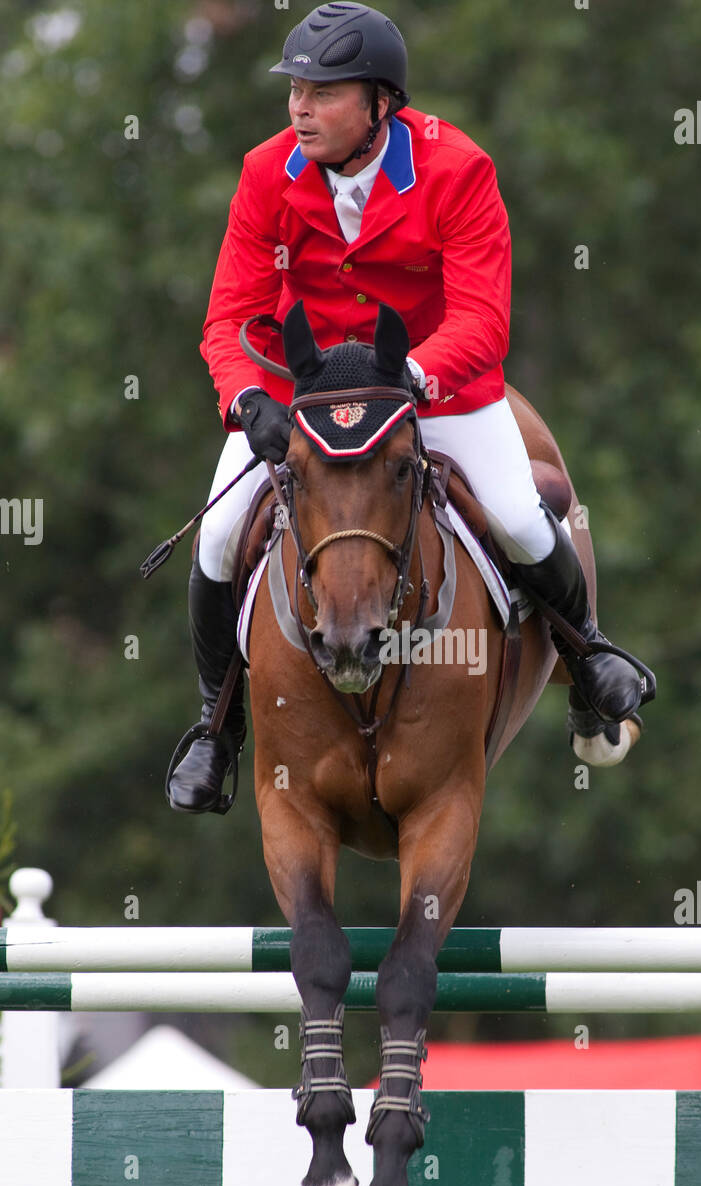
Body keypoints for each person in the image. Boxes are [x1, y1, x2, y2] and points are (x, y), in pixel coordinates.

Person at [167, 2, 652, 814]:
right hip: (304, 395)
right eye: (295, 89)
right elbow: (228, 317)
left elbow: (481, 320)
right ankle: (216, 732)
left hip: (433, 384)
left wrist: (415, 380)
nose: (299, 106)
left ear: (379, 104)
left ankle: (590, 656)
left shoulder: (456, 169)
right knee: (218, 535)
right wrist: (248, 398)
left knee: (522, 516)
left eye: (323, 92)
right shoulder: (265, 172)